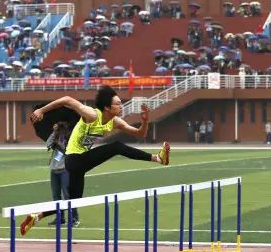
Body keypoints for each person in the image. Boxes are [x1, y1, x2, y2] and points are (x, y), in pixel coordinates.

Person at [20, 86, 171, 235]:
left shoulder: (115, 122)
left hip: (79, 164)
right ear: (106, 107)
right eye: (117, 104)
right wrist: (41, 110)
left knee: (74, 201)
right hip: (74, 158)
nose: (121, 106)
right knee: (116, 146)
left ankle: (37, 216)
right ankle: (157, 158)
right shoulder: (91, 115)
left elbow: (139, 134)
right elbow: (67, 99)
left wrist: (145, 121)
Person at [46, 121, 79, 226]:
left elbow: (68, 150)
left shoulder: (70, 139)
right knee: (56, 196)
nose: (58, 131)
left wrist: (60, 143)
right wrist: (53, 133)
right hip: (54, 170)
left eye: (59, 129)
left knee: (67, 195)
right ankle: (60, 218)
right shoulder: (55, 137)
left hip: (65, 170)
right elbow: (47, 144)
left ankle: (74, 217)